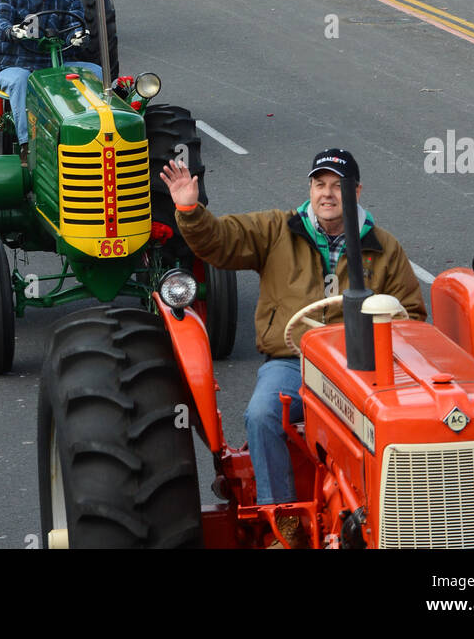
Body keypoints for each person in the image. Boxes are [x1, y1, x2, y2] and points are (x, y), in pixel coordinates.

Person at [160, 146, 425, 546]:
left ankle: (394, 520)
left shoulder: (384, 248)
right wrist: (191, 212)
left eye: (338, 185)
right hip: (292, 361)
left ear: (356, 192)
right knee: (262, 414)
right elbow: (219, 243)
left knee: (397, 421)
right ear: (310, 188)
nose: (328, 193)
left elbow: (413, 318)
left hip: (362, 366)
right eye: (321, 184)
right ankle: (283, 523)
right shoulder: (275, 230)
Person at [0, 0, 102, 164]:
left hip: (55, 63)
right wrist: (12, 30)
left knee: (96, 72)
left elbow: (75, 23)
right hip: (16, 64)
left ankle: (92, 135)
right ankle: (27, 146)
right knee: (22, 81)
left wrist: (77, 36)